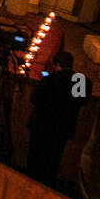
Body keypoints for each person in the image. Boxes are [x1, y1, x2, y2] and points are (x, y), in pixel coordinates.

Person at [26, 51, 84, 187]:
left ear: (56, 64)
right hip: (62, 129)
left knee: (35, 158)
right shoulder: (79, 80)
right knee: (53, 160)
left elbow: (34, 99)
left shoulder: (49, 80)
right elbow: (80, 100)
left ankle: (30, 183)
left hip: (41, 126)